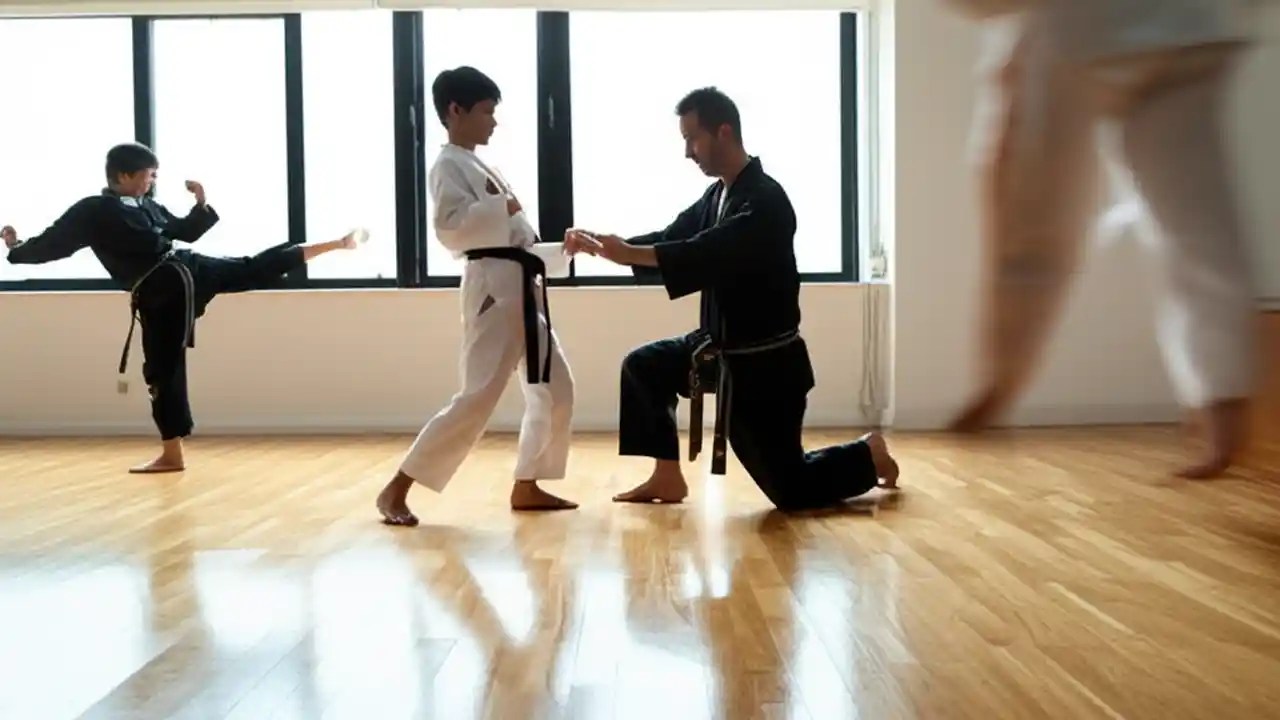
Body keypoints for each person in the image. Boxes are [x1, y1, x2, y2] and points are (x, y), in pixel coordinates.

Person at [943, 0, 1268, 477]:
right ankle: (1223, 405)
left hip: (1079, 33)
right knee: (1199, 230)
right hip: (1189, 30)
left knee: (1032, 223)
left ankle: (1001, 379)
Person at [564, 87, 899, 511]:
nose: (688, 152)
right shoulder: (717, 195)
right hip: (716, 347)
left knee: (791, 489)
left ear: (723, 132)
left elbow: (706, 251)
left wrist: (628, 252)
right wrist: (603, 245)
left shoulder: (765, 201)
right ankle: (666, 476)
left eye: (693, 139)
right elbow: (674, 239)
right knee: (643, 366)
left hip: (766, 369)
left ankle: (867, 453)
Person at [2, 142, 366, 473]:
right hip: (162, 288)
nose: (152, 182)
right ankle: (172, 454)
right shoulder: (94, 211)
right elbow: (53, 244)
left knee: (249, 268)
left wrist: (201, 203)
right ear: (124, 175)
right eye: (148, 175)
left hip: (185, 271)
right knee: (163, 369)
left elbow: (184, 231)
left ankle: (336, 243)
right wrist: (16, 249)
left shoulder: (147, 205)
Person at [375, 66, 576, 527]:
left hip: (521, 289)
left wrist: (562, 249)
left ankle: (527, 483)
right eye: (487, 111)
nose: (493, 121)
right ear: (455, 110)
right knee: (476, 397)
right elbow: (449, 230)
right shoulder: (447, 164)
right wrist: (497, 208)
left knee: (555, 387)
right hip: (492, 293)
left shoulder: (480, 164)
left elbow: (514, 242)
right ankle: (396, 489)